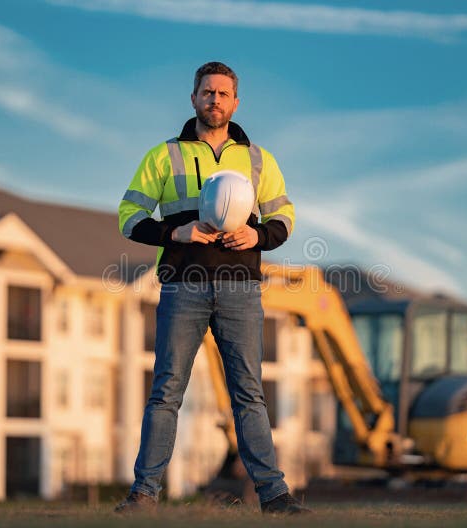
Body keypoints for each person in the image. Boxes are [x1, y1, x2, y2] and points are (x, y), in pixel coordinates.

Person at [116, 61, 309, 515]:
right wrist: (175, 233)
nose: (215, 100)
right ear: (194, 98)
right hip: (184, 284)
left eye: (223, 93)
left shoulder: (259, 158)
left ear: (235, 102)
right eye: (207, 92)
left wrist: (258, 236)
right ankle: (144, 495)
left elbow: (285, 217)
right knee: (167, 392)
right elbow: (129, 216)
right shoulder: (164, 156)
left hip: (241, 289)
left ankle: (274, 496)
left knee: (249, 394)